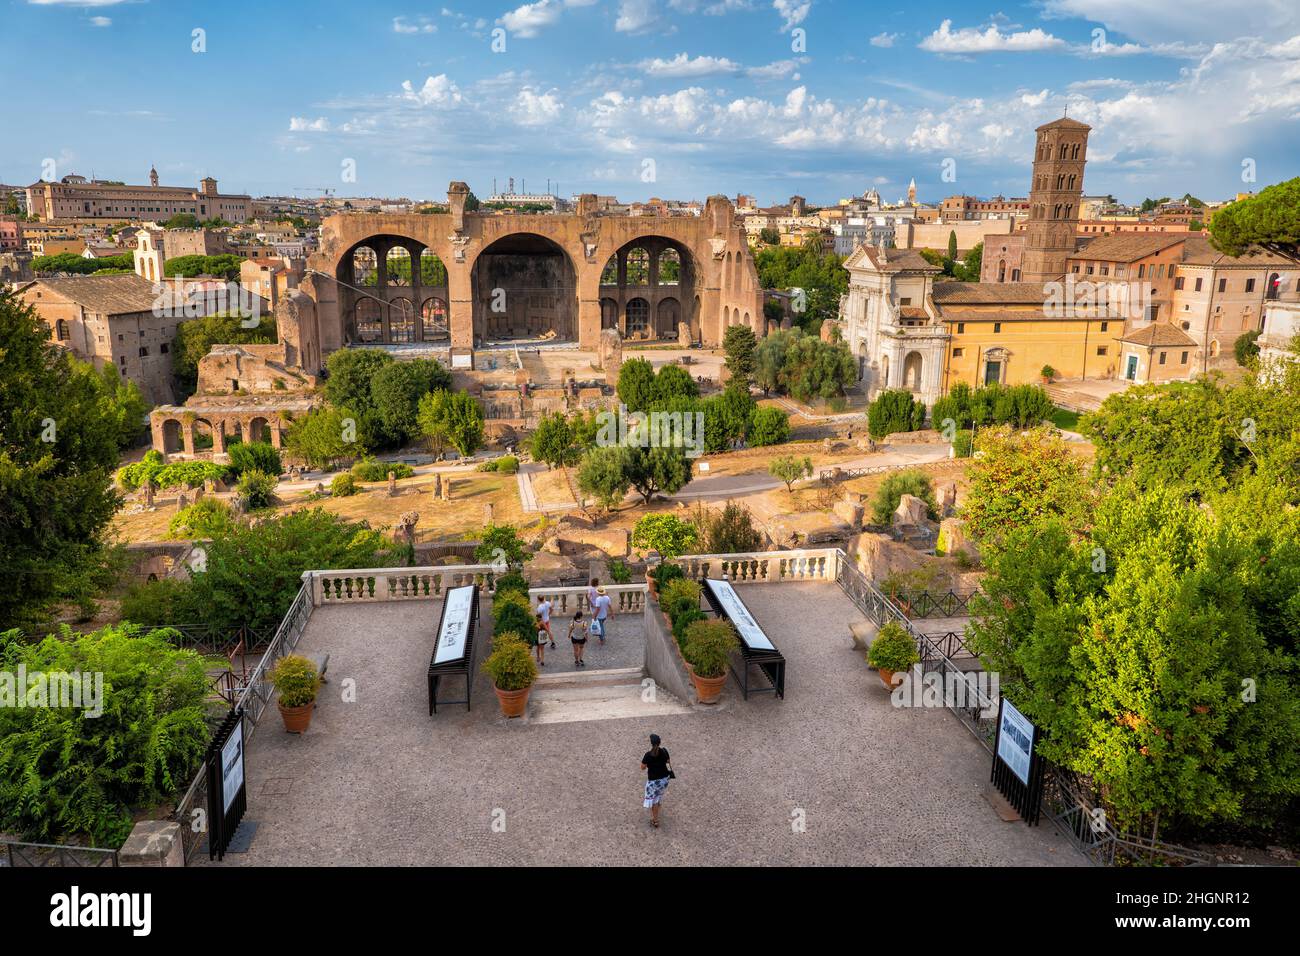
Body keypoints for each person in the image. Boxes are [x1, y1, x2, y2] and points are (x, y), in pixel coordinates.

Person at [640, 733, 673, 828]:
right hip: (664, 780)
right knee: (658, 796)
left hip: (653, 782)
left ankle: (655, 820)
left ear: (651, 743)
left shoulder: (648, 755)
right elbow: (668, 762)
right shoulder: (664, 751)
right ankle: (657, 805)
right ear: (659, 743)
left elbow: (642, 767)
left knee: (653, 801)